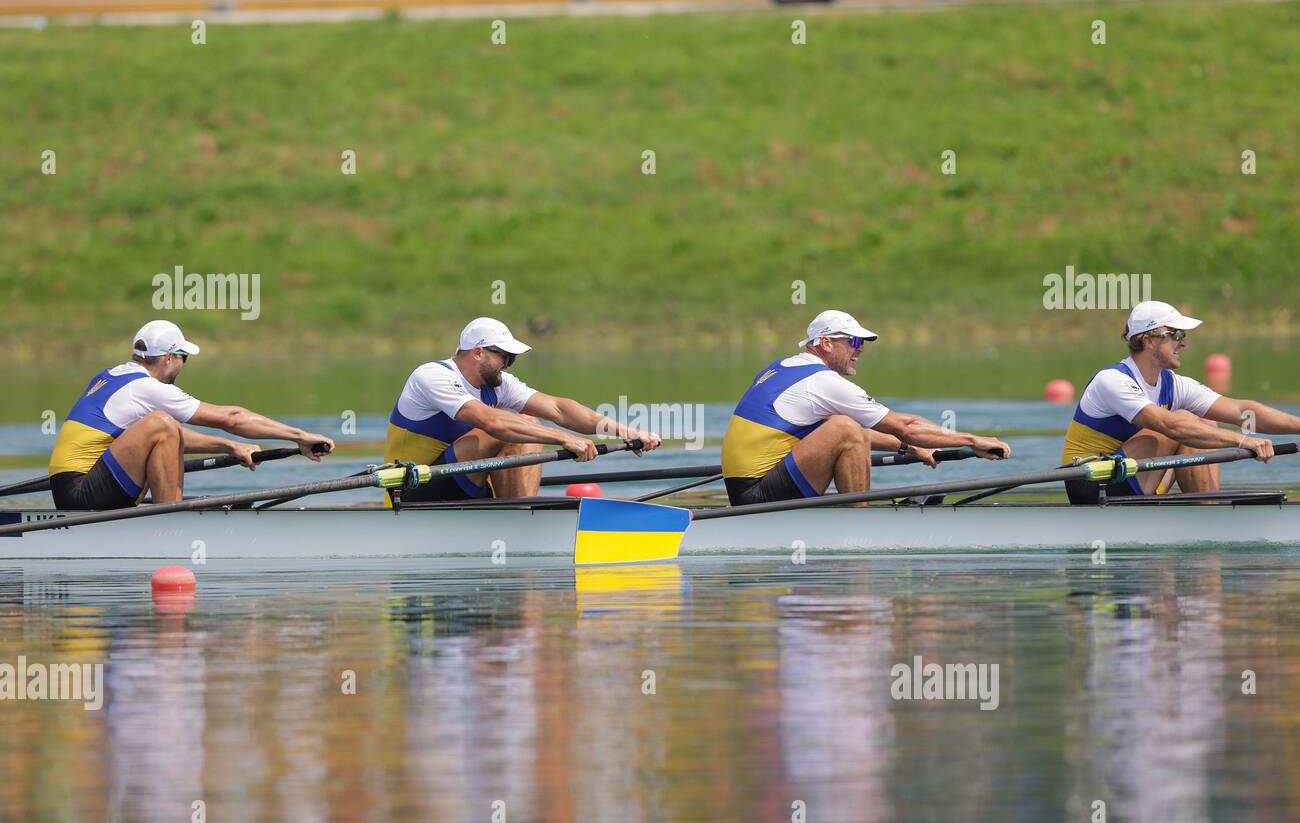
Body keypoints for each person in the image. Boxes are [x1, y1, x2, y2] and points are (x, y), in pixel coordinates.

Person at [721, 310, 1012, 505]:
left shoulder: (783, 366)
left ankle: (856, 514)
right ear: (825, 343)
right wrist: (972, 440)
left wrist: (909, 447)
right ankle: (860, 522)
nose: (860, 348)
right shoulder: (822, 382)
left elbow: (852, 433)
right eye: (854, 341)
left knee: (844, 426)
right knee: (846, 427)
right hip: (757, 498)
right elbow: (905, 426)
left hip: (749, 489)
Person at [48, 320, 334, 511]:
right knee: (162, 423)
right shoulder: (147, 388)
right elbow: (232, 418)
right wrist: (300, 436)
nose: (184, 365)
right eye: (184, 357)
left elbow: (167, 437)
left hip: (72, 489)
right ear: (169, 357)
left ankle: (167, 512)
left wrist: (229, 446)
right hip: (83, 493)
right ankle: (171, 521)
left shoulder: (111, 375)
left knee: (164, 426)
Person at [384, 317, 661, 502]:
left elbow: (559, 409)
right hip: (411, 491)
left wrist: (626, 431)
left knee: (529, 421)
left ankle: (521, 511)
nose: (507, 364)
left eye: (511, 358)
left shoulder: (498, 384)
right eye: (504, 356)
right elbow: (492, 422)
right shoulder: (432, 376)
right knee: (515, 427)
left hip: (462, 486)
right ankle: (520, 520)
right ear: (478, 352)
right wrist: (563, 438)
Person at [1062, 300, 1294, 504]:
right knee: (1181, 422)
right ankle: (1208, 517)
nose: (1182, 343)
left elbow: (1242, 412)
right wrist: (1242, 440)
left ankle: (1209, 512)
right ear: (1148, 340)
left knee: (1204, 420)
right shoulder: (1112, 380)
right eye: (1175, 335)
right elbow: (1171, 427)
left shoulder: (1174, 384)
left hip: (1132, 477)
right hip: (1090, 483)